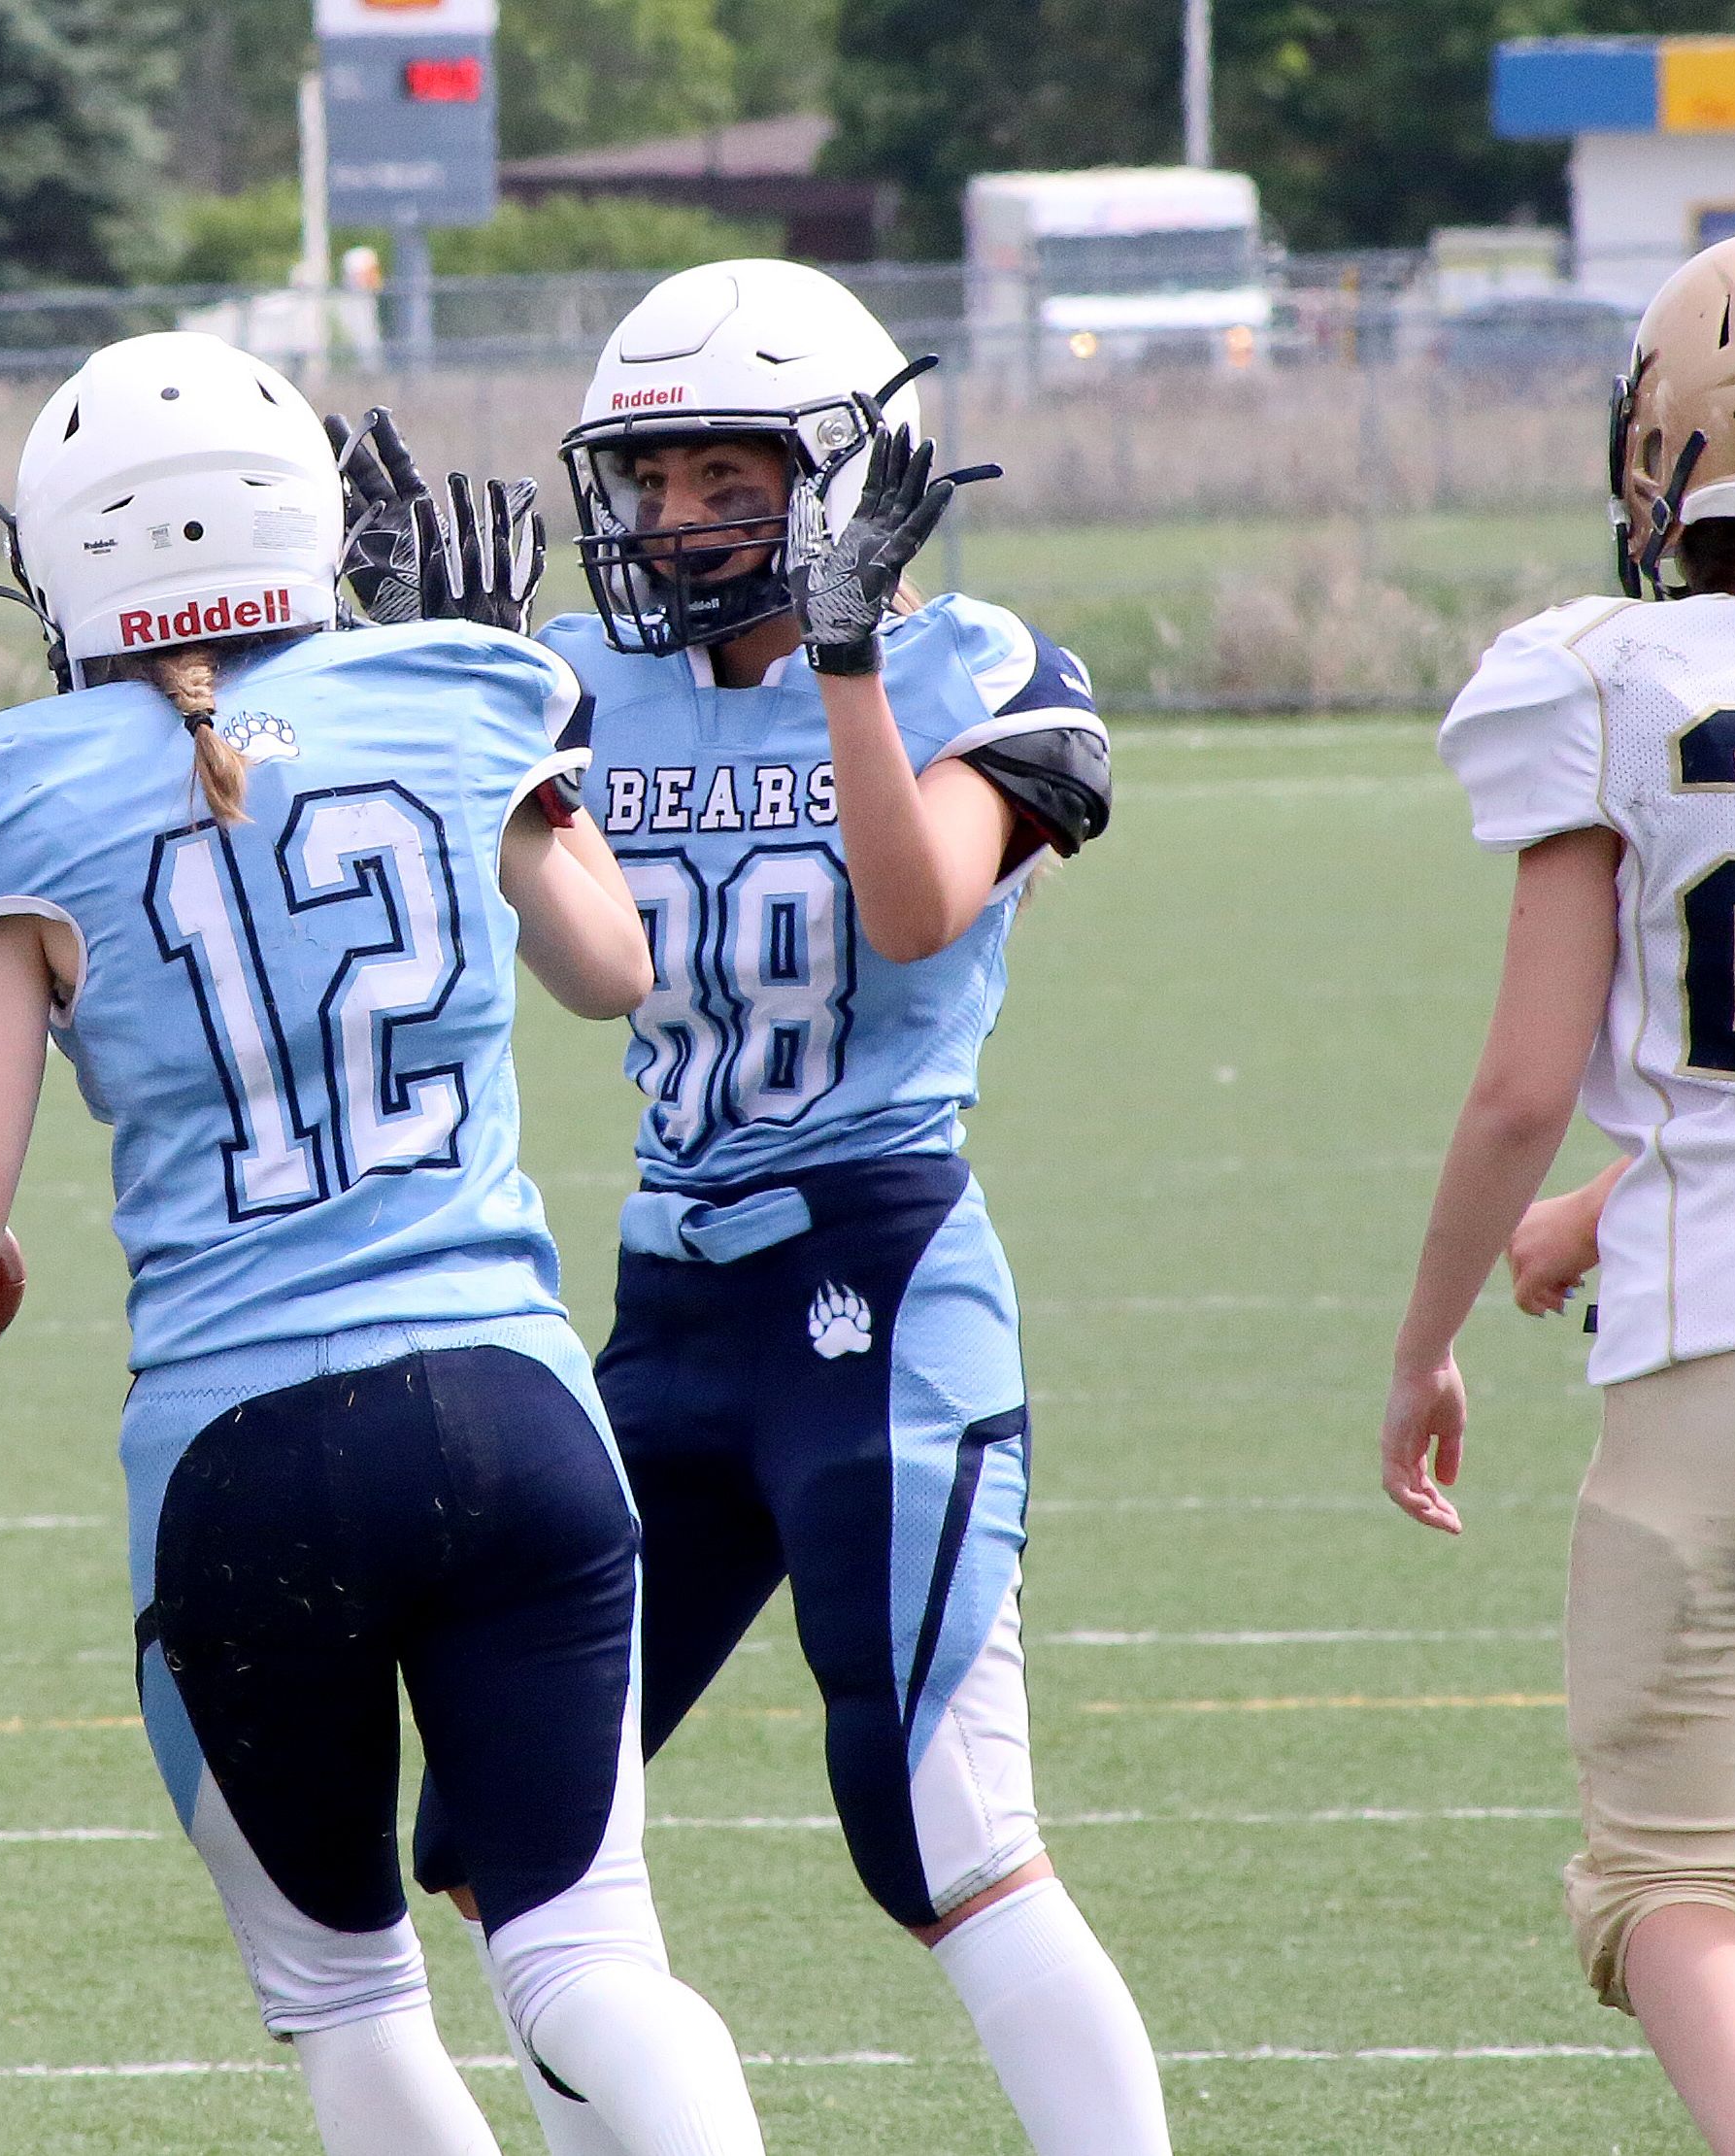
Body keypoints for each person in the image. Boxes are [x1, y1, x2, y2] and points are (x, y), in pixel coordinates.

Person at [0, 329, 770, 2156]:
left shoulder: (5, 792)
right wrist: (457, 697)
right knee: (588, 1958)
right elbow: (616, 973)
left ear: (66, 562)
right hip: (518, 1409)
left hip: (243, 1459)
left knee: (352, 2005)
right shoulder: (464, 689)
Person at [395, 258, 1166, 2156]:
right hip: (668, 1304)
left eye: (721, 476)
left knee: (944, 1835)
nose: (668, 520)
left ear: (837, 476)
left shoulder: (976, 667)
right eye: (649, 479)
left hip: (874, 1286)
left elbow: (912, 917)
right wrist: (450, 706)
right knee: (507, 1834)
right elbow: (562, 948)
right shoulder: (601, 681)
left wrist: (838, 663)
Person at [1383, 223, 1735, 2155]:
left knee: (1666, 1882)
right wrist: (1594, 1213)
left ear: (1672, 451)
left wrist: (1421, 1346)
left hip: (1724, 1356)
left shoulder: (1601, 675)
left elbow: (1522, 1086)